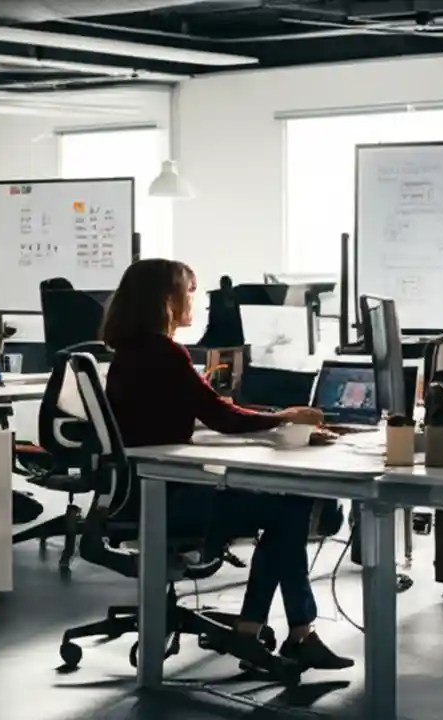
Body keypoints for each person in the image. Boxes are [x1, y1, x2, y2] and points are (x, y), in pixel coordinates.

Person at [101, 258, 353, 675]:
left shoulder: (132, 351)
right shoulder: (164, 352)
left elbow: (205, 411)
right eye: (190, 290)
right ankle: (277, 632)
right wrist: (284, 419)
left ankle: (282, 632)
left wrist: (276, 417)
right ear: (166, 299)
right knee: (288, 509)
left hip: (148, 491)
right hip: (168, 499)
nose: (195, 301)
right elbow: (223, 417)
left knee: (285, 508)